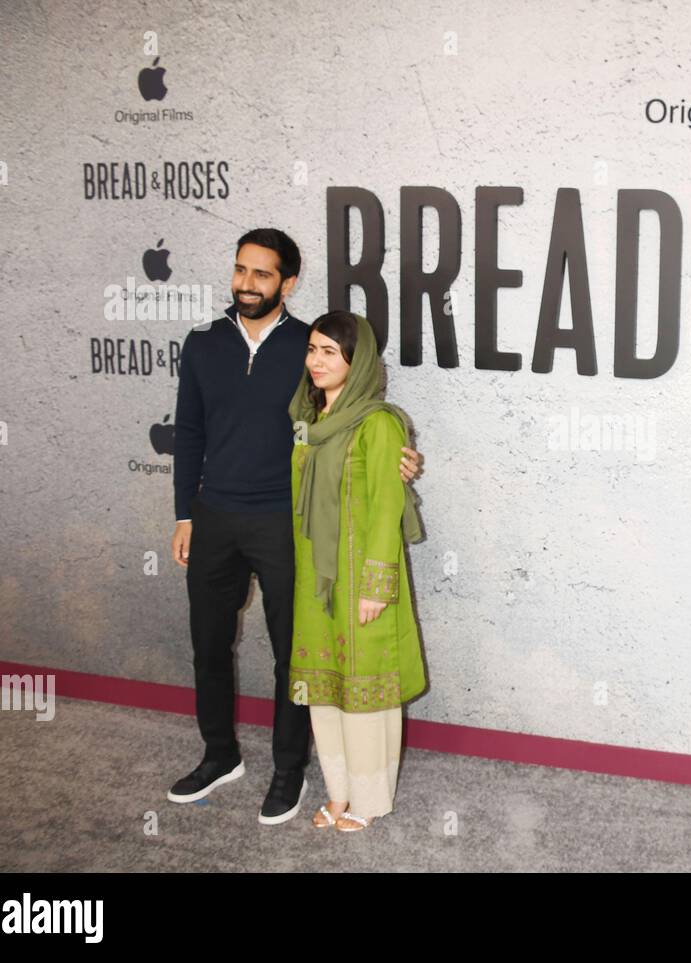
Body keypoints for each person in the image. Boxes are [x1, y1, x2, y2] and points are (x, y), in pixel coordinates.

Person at [167, 229, 423, 826]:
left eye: (261, 274)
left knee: (294, 655)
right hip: (213, 516)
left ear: (288, 281)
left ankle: (289, 771)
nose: (246, 284)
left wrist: (397, 457)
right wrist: (185, 512)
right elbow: (189, 433)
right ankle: (219, 755)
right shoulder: (202, 343)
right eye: (240, 271)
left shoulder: (308, 347)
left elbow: (344, 423)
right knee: (208, 643)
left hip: (285, 524)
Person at [287, 311, 426, 831]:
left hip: (361, 579)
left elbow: (386, 508)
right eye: (312, 350)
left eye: (330, 352)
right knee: (325, 689)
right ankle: (338, 792)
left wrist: (375, 587)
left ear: (356, 359)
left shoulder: (379, 423)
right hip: (314, 576)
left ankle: (369, 799)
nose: (317, 361)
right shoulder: (307, 419)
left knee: (366, 691)